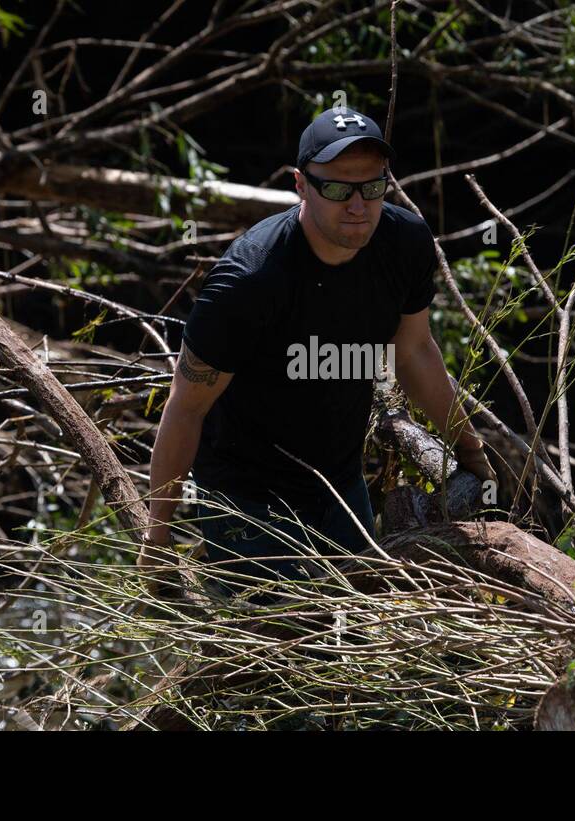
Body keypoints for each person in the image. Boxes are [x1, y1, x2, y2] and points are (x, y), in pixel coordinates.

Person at [141, 105, 495, 599]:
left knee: (359, 636)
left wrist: (469, 450)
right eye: (337, 188)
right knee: (276, 652)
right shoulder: (250, 280)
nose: (358, 204)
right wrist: (156, 538)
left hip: (338, 483)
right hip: (247, 496)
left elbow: (414, 351)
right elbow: (186, 407)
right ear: (301, 186)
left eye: (373, 186)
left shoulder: (405, 243)